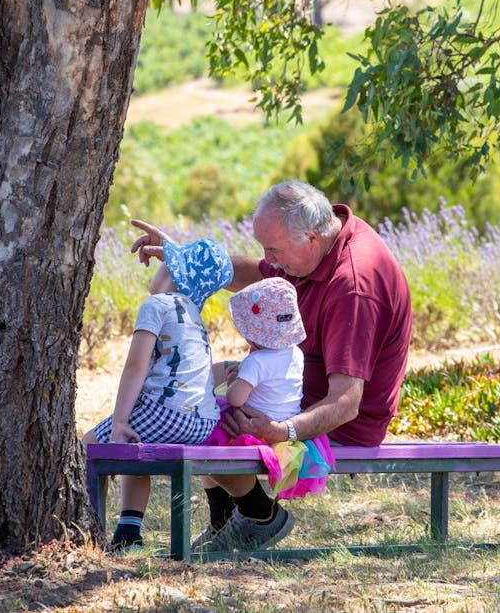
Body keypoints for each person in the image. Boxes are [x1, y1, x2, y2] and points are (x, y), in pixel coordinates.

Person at [130, 180, 413, 554]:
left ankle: (257, 517)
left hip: (329, 419)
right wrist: (187, 261)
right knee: (201, 404)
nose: (269, 257)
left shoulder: (354, 287)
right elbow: (263, 274)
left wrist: (283, 431)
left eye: (273, 249)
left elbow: (346, 402)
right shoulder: (319, 246)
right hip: (290, 388)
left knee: (201, 423)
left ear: (311, 236)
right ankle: (229, 524)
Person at [83, 236, 233, 551]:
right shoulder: (193, 314)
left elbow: (136, 367)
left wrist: (120, 420)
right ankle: (127, 532)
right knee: (135, 445)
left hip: (166, 412)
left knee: (88, 447)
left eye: (167, 262)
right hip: (203, 422)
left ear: (174, 273)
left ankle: (81, 528)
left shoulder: (156, 305)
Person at [203, 276, 335, 501]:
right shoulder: (296, 353)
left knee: (207, 422)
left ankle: (228, 507)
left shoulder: (257, 361)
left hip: (253, 429)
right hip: (290, 427)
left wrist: (234, 381)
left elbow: (235, 399)